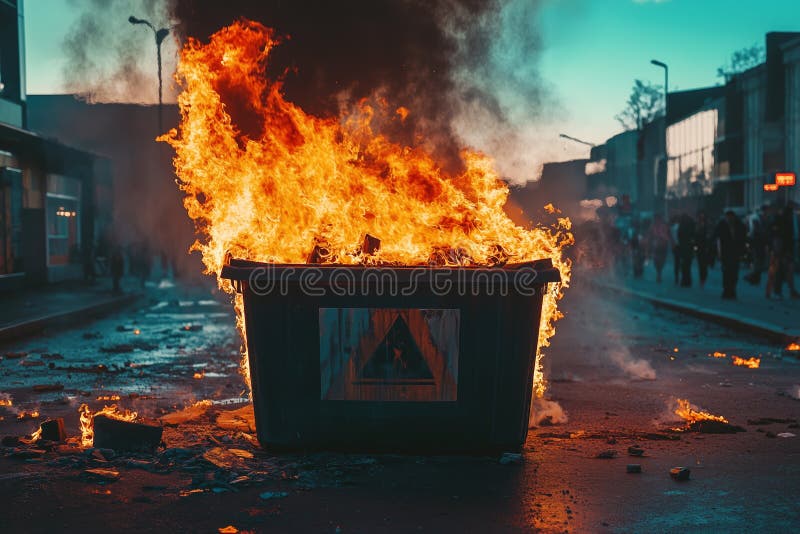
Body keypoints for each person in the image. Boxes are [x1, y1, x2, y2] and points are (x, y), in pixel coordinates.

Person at [714, 210, 746, 299]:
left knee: (734, 272)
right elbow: (717, 238)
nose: (729, 219)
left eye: (730, 217)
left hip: (735, 252)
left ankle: (732, 290)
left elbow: (743, 238)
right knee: (726, 272)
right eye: (728, 217)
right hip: (726, 252)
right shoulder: (722, 225)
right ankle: (727, 290)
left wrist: (742, 251)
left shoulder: (739, 225)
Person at [744, 205, 768, 285]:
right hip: (756, 241)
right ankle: (751, 276)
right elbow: (755, 230)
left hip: (758, 241)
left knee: (758, 260)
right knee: (758, 260)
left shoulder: (756, 217)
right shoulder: (755, 218)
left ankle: (754, 278)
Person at [647, 214, 672, 283]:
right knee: (656, 260)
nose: (657, 220)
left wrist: (671, 242)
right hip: (656, 246)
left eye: (658, 219)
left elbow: (669, 234)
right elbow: (650, 235)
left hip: (664, 246)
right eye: (656, 219)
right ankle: (659, 272)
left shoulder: (665, 225)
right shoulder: (652, 226)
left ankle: (659, 272)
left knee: (662, 260)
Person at [677, 213, 695, 287]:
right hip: (689, 249)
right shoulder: (691, 226)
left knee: (684, 265)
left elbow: (679, 236)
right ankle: (687, 280)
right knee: (687, 265)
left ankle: (685, 280)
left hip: (684, 248)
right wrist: (694, 249)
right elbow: (693, 239)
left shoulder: (682, 226)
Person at [695, 212, 711, 288]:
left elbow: (708, 236)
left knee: (704, 265)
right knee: (701, 264)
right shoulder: (696, 226)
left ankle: (703, 278)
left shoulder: (707, 226)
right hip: (699, 248)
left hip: (705, 248)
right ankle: (702, 279)